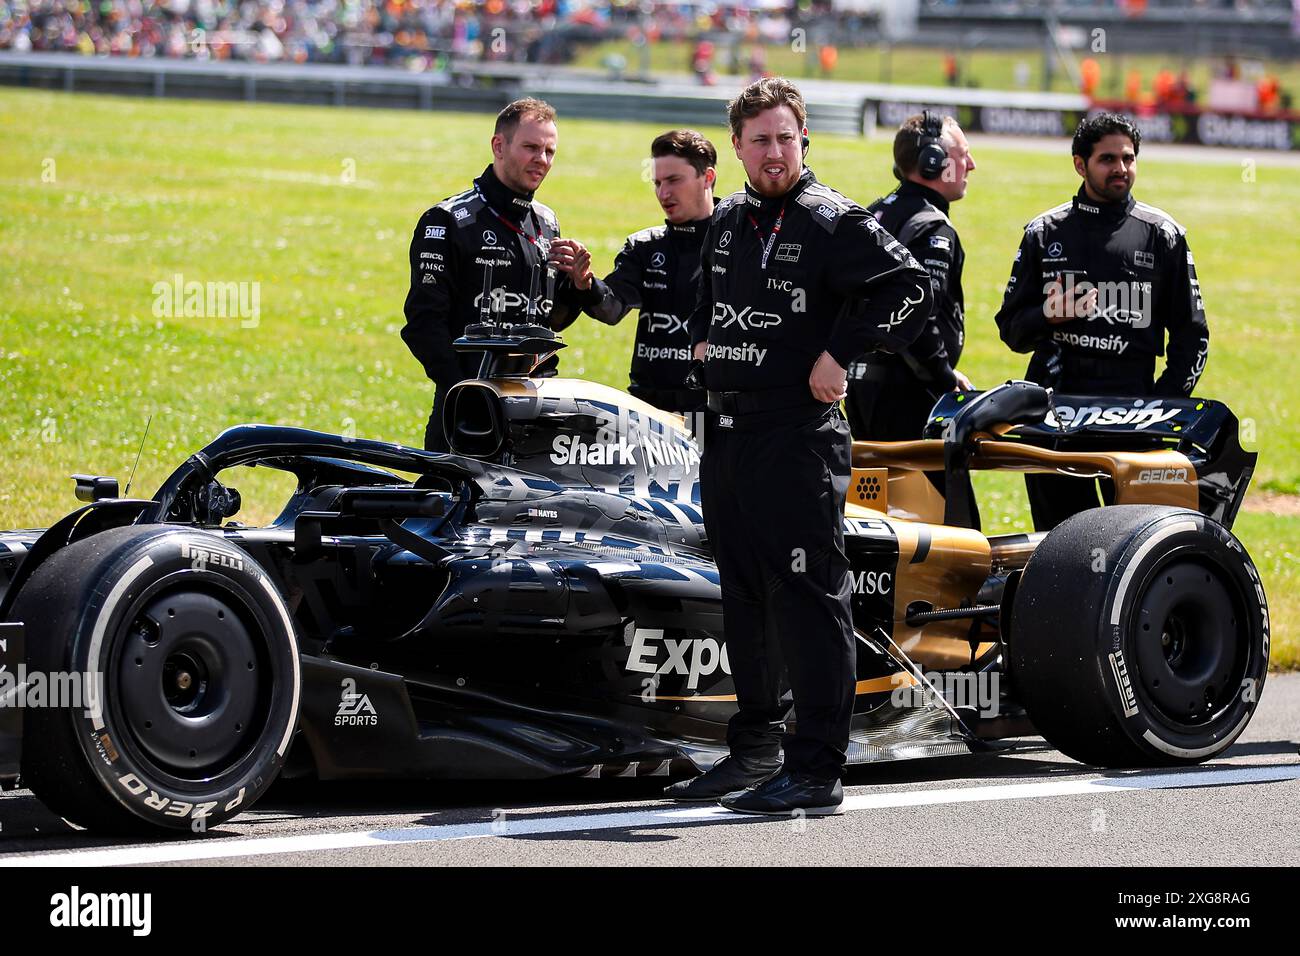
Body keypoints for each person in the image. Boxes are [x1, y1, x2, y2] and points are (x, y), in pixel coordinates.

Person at [666, 77, 932, 815]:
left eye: (786, 137)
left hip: (798, 437)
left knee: (811, 600)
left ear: (803, 138)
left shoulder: (832, 219)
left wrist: (842, 354)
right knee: (745, 598)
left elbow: (909, 288)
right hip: (728, 436)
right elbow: (703, 306)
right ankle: (753, 753)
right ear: (739, 149)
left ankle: (817, 770)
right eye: (760, 140)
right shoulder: (724, 222)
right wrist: (702, 345)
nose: (775, 152)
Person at [994, 112, 1209, 531]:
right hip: (1055, 418)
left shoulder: (1163, 235)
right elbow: (1011, 329)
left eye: (1129, 159)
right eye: (1108, 160)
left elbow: (1192, 335)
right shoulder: (1044, 232)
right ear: (1080, 164)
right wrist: (1048, 315)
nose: (1121, 169)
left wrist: (1163, 405)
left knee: (1134, 542)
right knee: (1060, 542)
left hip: (1132, 420)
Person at [401, 97, 593, 452]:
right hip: (468, 408)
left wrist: (578, 287)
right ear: (498, 146)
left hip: (538, 404)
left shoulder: (546, 222)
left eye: (550, 151)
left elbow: (549, 319)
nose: (542, 160)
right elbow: (422, 325)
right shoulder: (447, 220)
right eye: (531, 147)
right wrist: (465, 392)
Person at [848, 112, 976, 509]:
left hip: (861, 386)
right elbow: (919, 316)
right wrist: (942, 378)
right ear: (933, 160)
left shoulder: (872, 213)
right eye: (963, 155)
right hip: (907, 396)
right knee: (949, 517)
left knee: (877, 513)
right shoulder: (930, 228)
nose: (970, 165)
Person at [570, 129, 717, 416]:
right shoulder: (644, 247)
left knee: (699, 462)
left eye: (674, 180)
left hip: (703, 409)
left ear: (707, 178)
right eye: (658, 183)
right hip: (646, 408)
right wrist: (587, 285)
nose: (663, 193)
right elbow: (611, 308)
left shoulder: (735, 244)